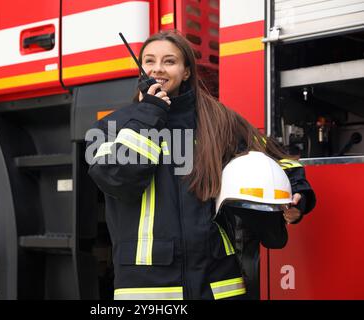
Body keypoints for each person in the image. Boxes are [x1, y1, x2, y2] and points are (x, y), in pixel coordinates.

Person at [86, 30, 315, 300]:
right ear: (141, 68)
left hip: (218, 282)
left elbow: (276, 158)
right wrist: (149, 112)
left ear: (186, 72)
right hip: (149, 288)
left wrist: (298, 197)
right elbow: (118, 180)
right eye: (149, 61)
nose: (158, 68)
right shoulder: (111, 126)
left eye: (169, 61)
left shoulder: (219, 120)